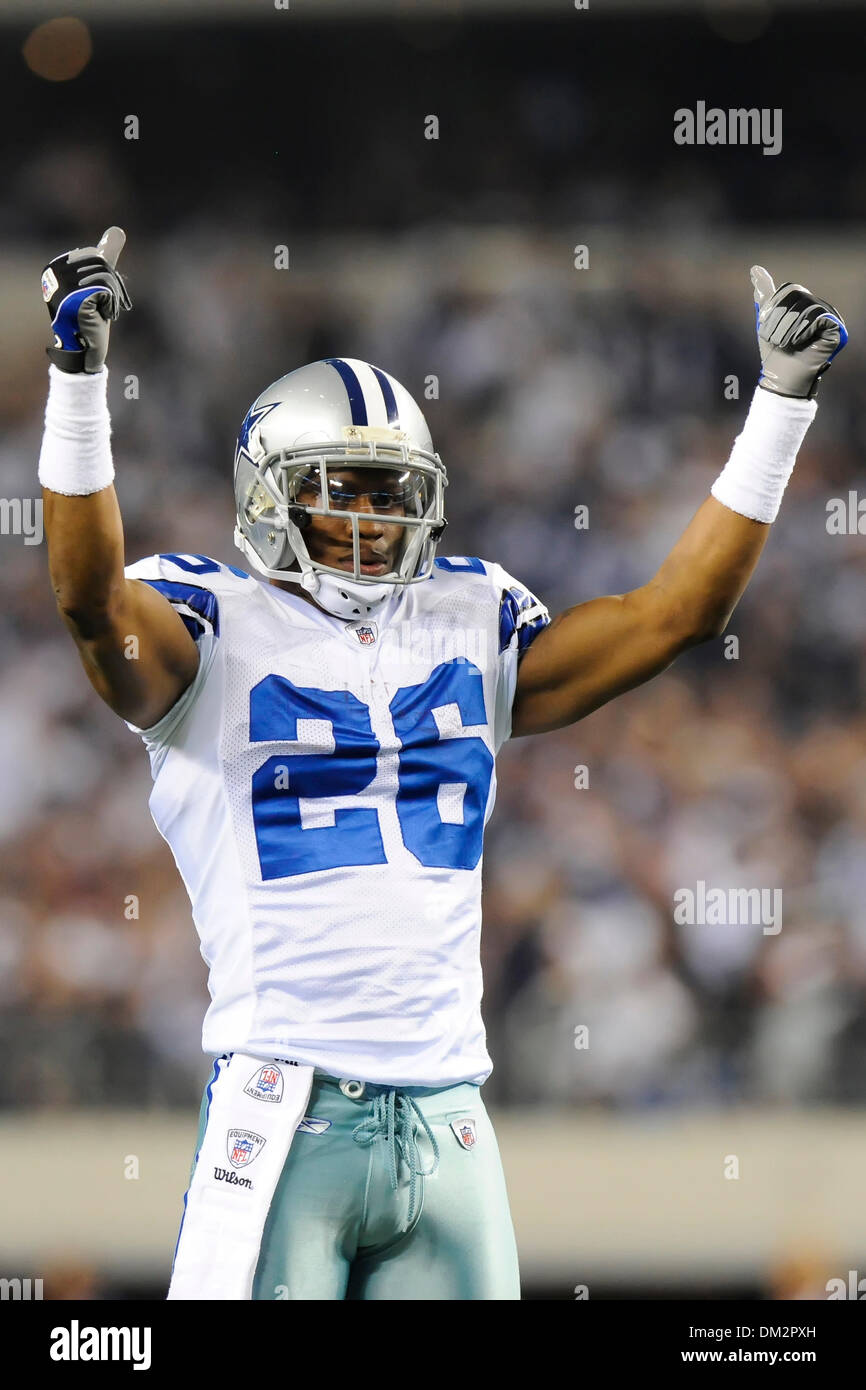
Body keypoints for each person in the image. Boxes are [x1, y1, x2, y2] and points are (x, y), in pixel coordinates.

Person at [37, 228, 846, 1300]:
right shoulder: (206, 622)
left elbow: (675, 616)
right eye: (339, 490)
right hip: (284, 1106)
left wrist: (779, 403)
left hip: (450, 1113)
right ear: (268, 495)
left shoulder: (471, 615)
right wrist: (78, 386)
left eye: (388, 493)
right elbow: (91, 602)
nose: (369, 520)